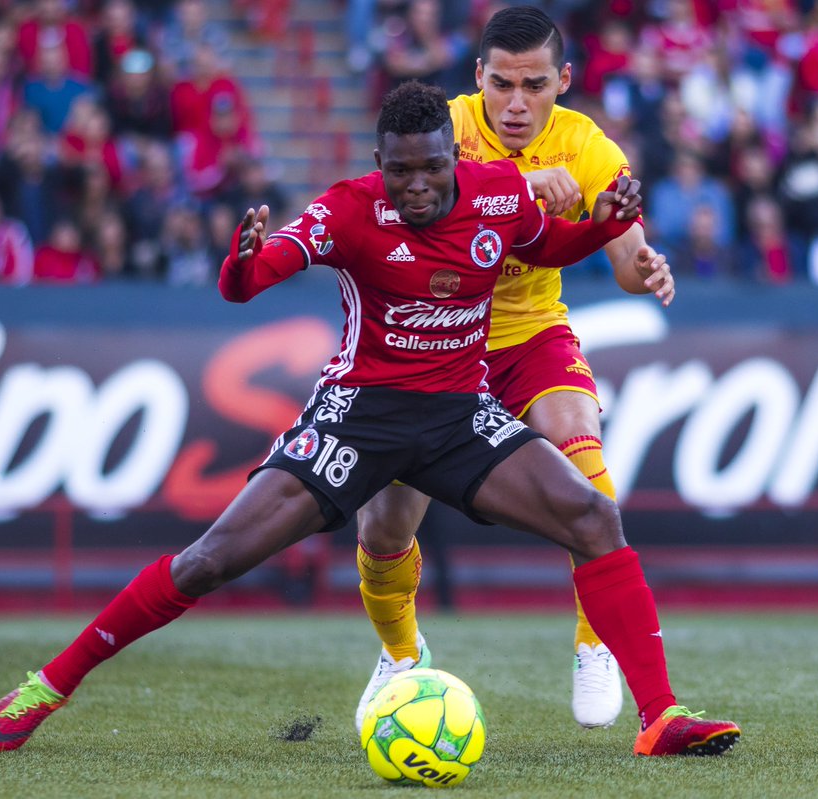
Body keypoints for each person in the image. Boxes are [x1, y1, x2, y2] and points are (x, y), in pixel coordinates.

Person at [0, 80, 740, 760]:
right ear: (380, 159)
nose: (415, 185)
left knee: (593, 513)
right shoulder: (348, 207)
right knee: (209, 560)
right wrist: (243, 262)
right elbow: (259, 275)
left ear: (453, 154)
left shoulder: (499, 193)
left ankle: (659, 716)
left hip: (456, 415)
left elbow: (548, 243)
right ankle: (49, 684)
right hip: (356, 419)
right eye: (399, 169)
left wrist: (604, 227)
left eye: (430, 167)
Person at [352, 5, 678, 735]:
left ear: (563, 79)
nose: (518, 103)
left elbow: (624, 256)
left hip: (530, 333)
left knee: (583, 454)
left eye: (536, 84)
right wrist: (523, 185)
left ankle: (595, 644)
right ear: (479, 78)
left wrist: (645, 266)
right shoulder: (445, 128)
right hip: (433, 340)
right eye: (503, 84)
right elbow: (418, 203)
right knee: (382, 528)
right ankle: (402, 654)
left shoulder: (589, 146)